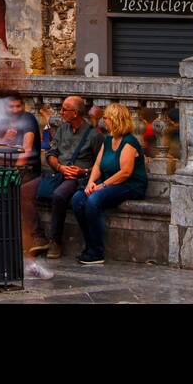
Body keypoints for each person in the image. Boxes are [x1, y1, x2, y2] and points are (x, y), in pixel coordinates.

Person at [24, 95, 102, 259]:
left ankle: (55, 240)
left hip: (77, 178)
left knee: (60, 195)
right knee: (23, 191)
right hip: (57, 173)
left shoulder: (93, 135)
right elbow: (51, 154)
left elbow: (99, 163)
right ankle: (38, 235)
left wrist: (83, 171)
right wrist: (60, 166)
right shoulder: (62, 129)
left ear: (75, 113)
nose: (61, 112)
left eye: (65, 110)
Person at [71, 102, 147, 265]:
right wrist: (91, 183)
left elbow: (125, 172)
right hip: (108, 181)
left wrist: (102, 186)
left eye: (106, 118)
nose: (103, 121)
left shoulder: (129, 142)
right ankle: (90, 245)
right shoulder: (108, 140)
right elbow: (98, 165)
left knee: (94, 201)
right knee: (78, 198)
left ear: (115, 119)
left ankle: (97, 252)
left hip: (130, 184)